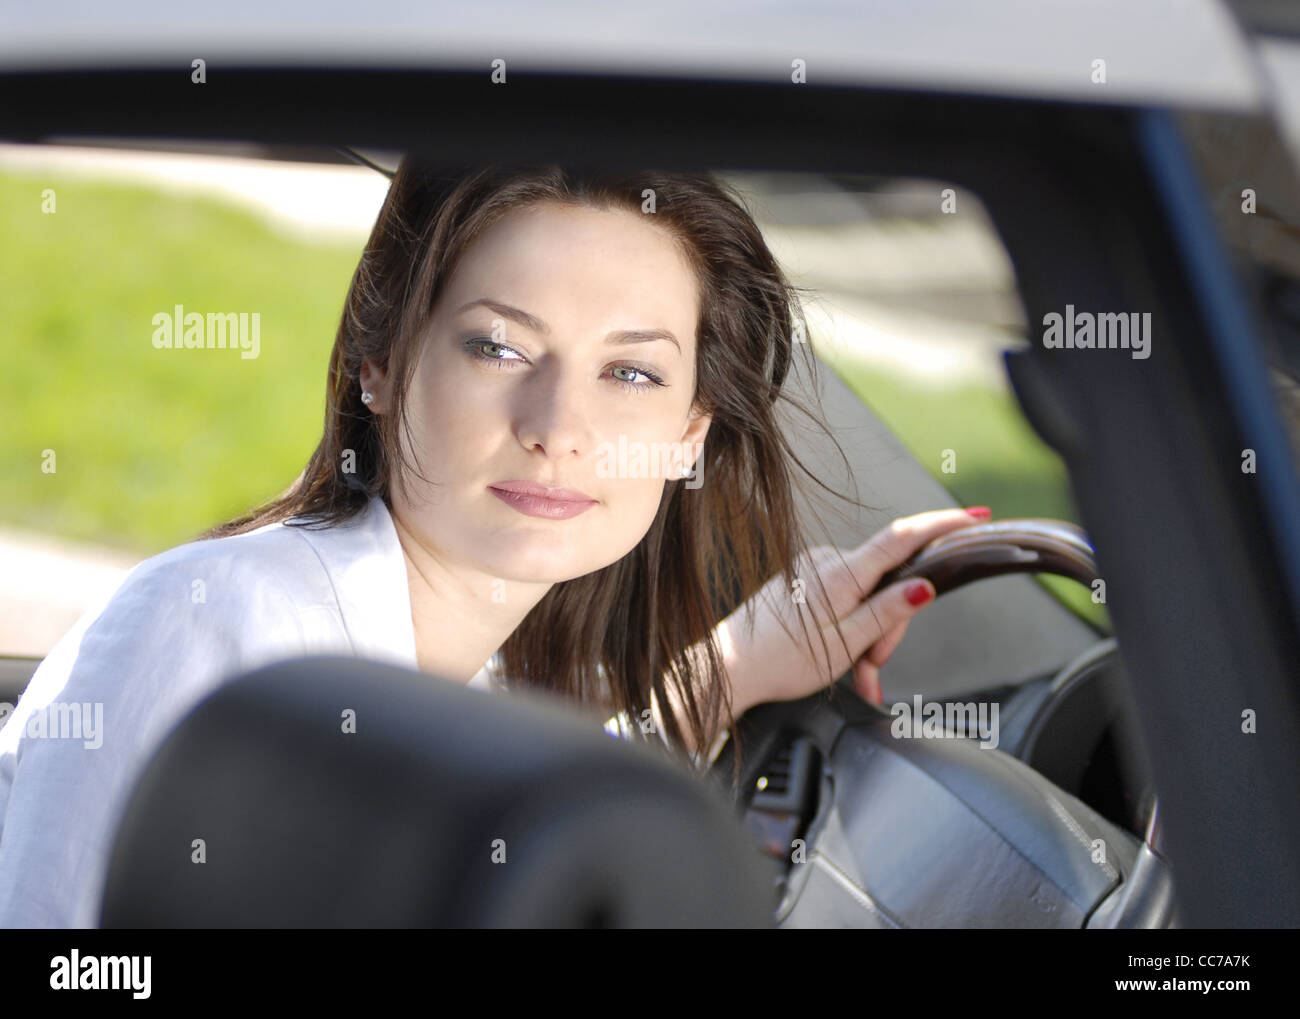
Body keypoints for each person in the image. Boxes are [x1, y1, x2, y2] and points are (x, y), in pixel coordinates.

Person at [0, 160, 988, 928]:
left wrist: (725, 673)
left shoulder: (481, 678)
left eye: (631, 374)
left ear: (690, 434)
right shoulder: (226, 620)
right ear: (377, 369)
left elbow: (481, 829)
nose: (557, 424)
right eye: (499, 347)